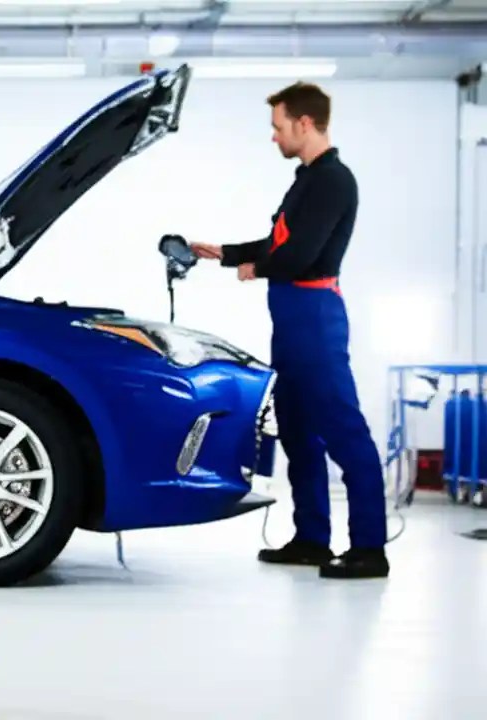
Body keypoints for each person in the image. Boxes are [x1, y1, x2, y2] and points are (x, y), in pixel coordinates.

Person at [190, 82, 389, 579]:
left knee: (343, 430)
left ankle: (369, 547)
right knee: (298, 432)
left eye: (278, 128)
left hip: (315, 319)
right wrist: (227, 253)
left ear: (304, 123)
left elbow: (302, 255)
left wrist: (255, 269)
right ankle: (311, 538)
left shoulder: (334, 181)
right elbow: (281, 240)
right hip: (292, 321)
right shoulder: (306, 180)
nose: (273, 138)